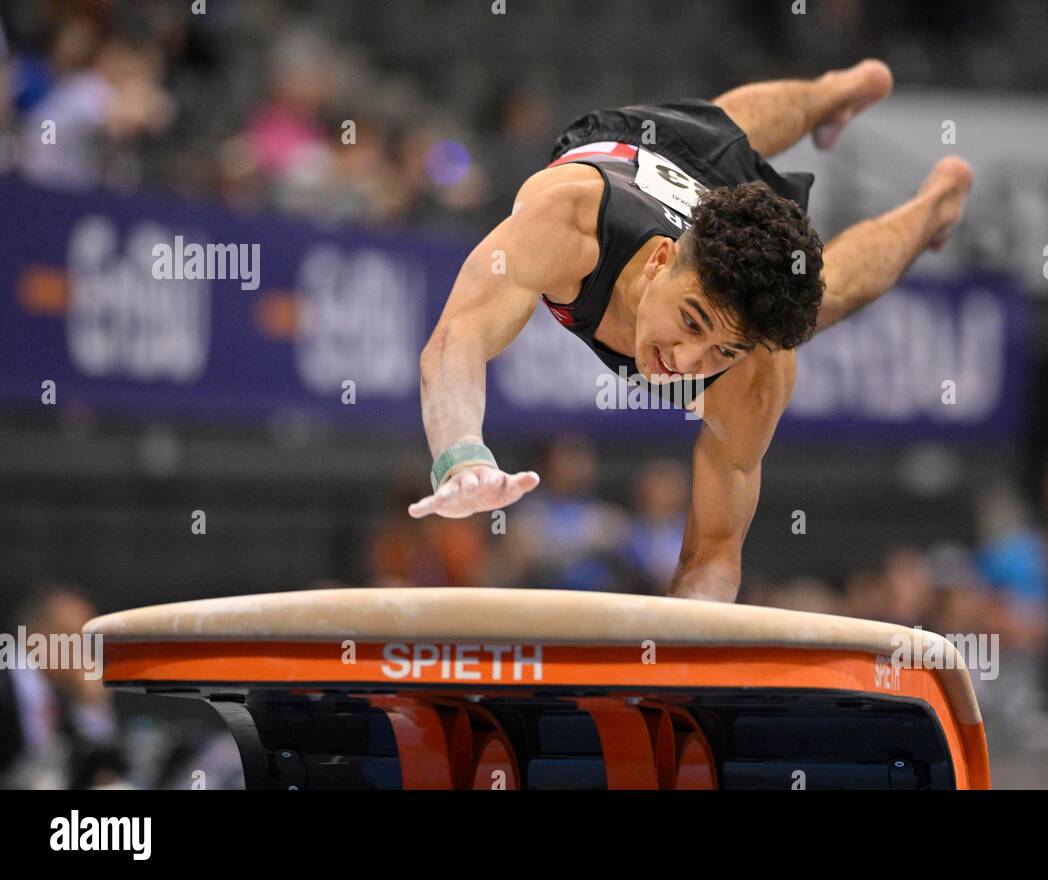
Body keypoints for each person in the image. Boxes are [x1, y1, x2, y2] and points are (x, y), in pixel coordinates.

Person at [410, 59, 974, 602]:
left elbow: (715, 555)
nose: (686, 364)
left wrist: (682, 649)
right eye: (691, 321)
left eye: (721, 350)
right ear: (658, 262)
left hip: (709, 207)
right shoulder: (571, 223)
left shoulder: (755, 365)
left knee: (822, 295)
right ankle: (830, 92)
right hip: (642, 151)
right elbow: (458, 337)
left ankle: (934, 205)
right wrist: (461, 454)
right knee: (718, 130)